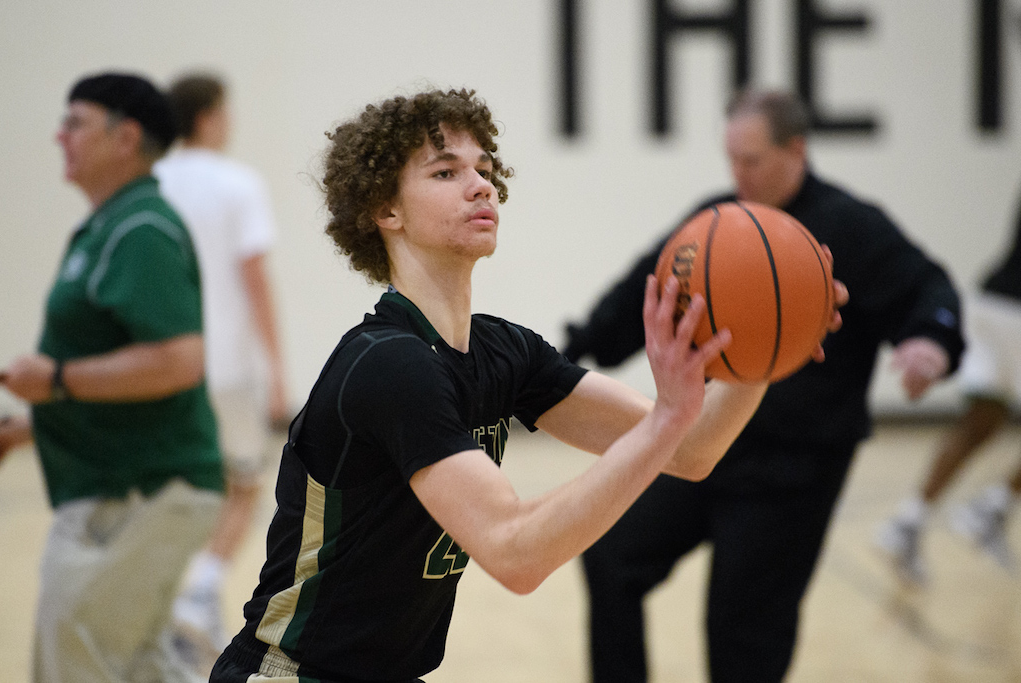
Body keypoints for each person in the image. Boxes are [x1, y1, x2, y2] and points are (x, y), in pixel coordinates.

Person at [208, 87, 843, 683]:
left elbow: (693, 451)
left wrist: (767, 351)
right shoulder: (387, 364)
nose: (480, 184)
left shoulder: (504, 352)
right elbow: (514, 553)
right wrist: (664, 421)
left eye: (484, 168)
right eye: (446, 172)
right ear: (386, 210)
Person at [562, 89, 965, 683]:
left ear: (796, 149)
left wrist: (930, 341)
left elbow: (928, 288)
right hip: (705, 447)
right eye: (731, 159)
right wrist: (573, 349)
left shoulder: (850, 225)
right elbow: (644, 290)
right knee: (611, 555)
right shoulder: (718, 222)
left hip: (795, 467)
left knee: (742, 635)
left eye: (751, 159)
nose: (738, 174)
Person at [0, 73, 224, 682]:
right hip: (130, 488)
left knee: (76, 665)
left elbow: (178, 360)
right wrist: (29, 427)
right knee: (137, 669)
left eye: (75, 123)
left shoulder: (140, 229)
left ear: (125, 138)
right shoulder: (112, 225)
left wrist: (56, 378)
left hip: (140, 492)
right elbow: (119, 376)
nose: (59, 136)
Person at [154, 72, 289, 663]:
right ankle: (200, 591)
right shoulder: (239, 184)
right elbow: (254, 278)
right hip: (228, 367)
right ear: (209, 116)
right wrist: (278, 372)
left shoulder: (151, 182)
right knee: (244, 484)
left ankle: (168, 606)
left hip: (162, 369)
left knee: (171, 491)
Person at [875, 191, 1021, 583]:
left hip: (994, 301)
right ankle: (994, 505)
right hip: (1014, 311)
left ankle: (909, 521)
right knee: (982, 420)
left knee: (982, 420)